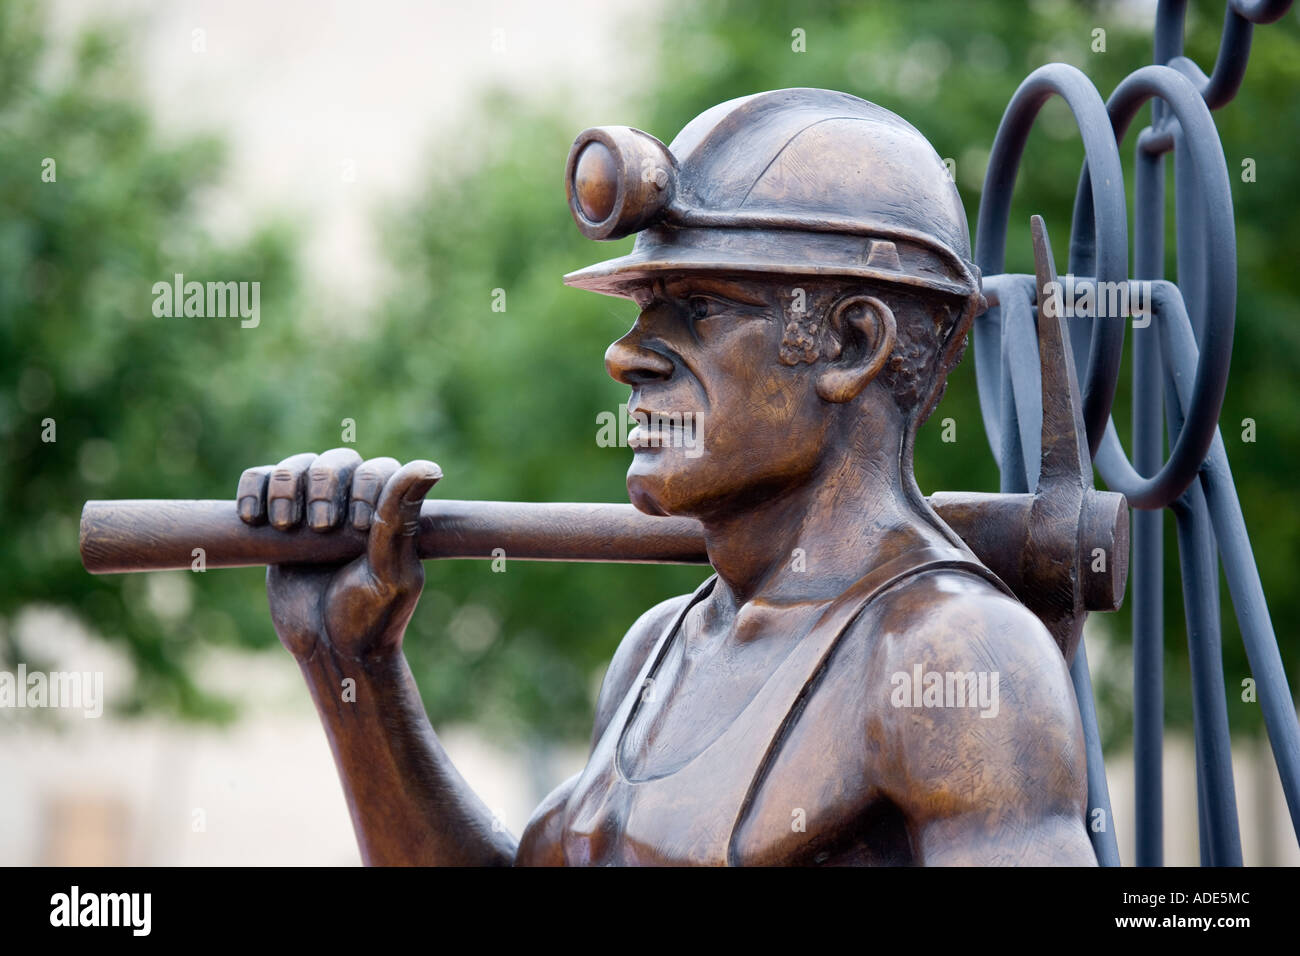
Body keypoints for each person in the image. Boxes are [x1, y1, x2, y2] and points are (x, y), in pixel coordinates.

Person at [234, 89, 1095, 865]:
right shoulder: (657, 651)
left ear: (852, 344)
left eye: (705, 307)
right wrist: (352, 665)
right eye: (644, 307)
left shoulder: (953, 659)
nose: (625, 355)